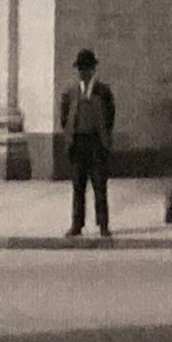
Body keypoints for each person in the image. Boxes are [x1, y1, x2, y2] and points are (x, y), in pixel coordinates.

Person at [59, 47, 116, 240]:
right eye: (80, 69)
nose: (82, 73)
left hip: (96, 143)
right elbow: (64, 117)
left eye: (86, 69)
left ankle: (103, 225)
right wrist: (70, 138)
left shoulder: (102, 91)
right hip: (78, 143)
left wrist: (104, 139)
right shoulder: (71, 92)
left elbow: (110, 117)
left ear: (92, 70)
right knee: (78, 187)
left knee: (100, 185)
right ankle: (77, 224)